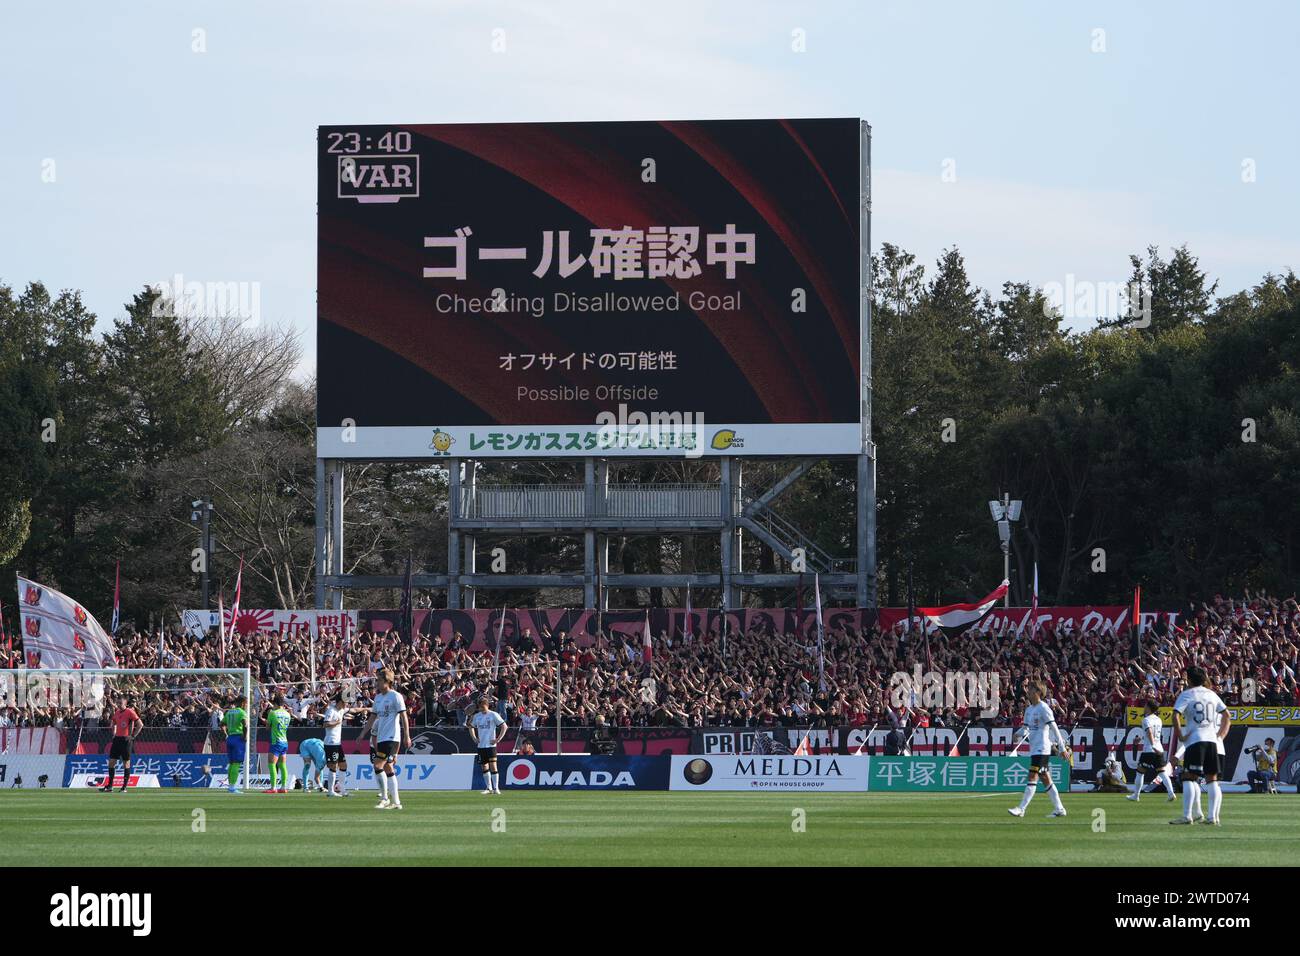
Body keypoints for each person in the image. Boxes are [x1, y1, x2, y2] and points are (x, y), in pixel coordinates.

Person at [1170, 666, 1230, 825]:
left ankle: (1187, 816)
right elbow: (1227, 715)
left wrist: (1181, 735)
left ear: (1189, 680)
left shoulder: (1187, 694)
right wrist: (1221, 735)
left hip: (1196, 739)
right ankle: (1212, 817)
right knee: (1212, 779)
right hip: (1212, 741)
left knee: (1189, 777)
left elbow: (1175, 715)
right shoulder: (1212, 694)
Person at [1007, 681, 1069, 818]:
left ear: (1039, 692)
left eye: (1031, 690)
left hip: (1043, 748)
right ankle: (1059, 809)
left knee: (1032, 775)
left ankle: (1021, 808)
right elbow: (1026, 729)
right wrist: (1017, 734)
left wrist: (1062, 748)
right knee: (1046, 779)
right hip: (1034, 749)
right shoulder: (1029, 710)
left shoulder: (1044, 708)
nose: (1028, 692)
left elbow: (1054, 728)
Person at [358, 669, 410, 810]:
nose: (377, 683)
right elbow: (372, 717)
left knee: (377, 765)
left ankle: (384, 798)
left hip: (392, 737)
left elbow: (404, 716)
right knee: (388, 768)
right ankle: (397, 803)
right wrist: (363, 733)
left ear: (387, 681)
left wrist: (407, 735)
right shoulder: (378, 698)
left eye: (379, 680)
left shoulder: (396, 696)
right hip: (381, 738)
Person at [1127, 701, 1176, 802]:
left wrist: (1152, 745)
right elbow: (1150, 733)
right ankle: (1171, 793)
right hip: (1159, 749)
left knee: (1140, 772)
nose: (1144, 707)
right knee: (1162, 773)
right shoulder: (1159, 720)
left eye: (1145, 705)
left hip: (1149, 750)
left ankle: (1136, 795)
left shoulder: (1146, 720)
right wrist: (1140, 739)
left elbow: (1149, 732)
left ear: (1149, 708)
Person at [100, 696, 142, 793]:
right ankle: (110, 786)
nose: (119, 705)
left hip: (126, 740)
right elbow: (114, 723)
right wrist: (114, 733)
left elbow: (140, 724)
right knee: (111, 762)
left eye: (121, 703)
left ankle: (124, 787)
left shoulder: (130, 712)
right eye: (118, 703)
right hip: (117, 740)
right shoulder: (117, 712)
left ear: (125, 703)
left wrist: (133, 736)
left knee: (126, 763)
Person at [468, 697, 506, 795]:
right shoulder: (477, 716)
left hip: (491, 746)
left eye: (481, 705)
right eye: (479, 706)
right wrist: (474, 738)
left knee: (493, 766)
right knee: (484, 767)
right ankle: (488, 788)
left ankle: (496, 788)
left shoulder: (494, 715)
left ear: (486, 704)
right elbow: (471, 727)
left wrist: (498, 739)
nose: (480, 707)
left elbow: (504, 726)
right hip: (481, 746)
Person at [321, 693, 356, 797]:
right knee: (333, 766)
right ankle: (330, 791)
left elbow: (354, 710)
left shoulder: (341, 710)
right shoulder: (331, 710)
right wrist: (337, 722)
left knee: (343, 765)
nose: (347, 704)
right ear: (340, 701)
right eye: (345, 702)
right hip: (331, 742)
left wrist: (368, 709)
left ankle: (341, 789)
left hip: (337, 742)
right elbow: (325, 724)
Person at [265, 694, 292, 794]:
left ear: (275, 703)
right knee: (283, 765)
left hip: (276, 741)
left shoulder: (273, 713)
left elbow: (268, 728)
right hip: (285, 741)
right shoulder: (288, 714)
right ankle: (284, 787)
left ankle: (273, 787)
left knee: (272, 764)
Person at [222, 695, 249, 794]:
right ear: (243, 703)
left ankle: (230, 786)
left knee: (232, 763)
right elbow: (245, 725)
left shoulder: (229, 712)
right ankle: (232, 787)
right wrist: (245, 736)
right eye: (246, 703)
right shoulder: (242, 712)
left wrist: (226, 733)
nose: (246, 705)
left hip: (230, 738)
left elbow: (222, 724)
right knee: (236, 763)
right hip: (238, 738)